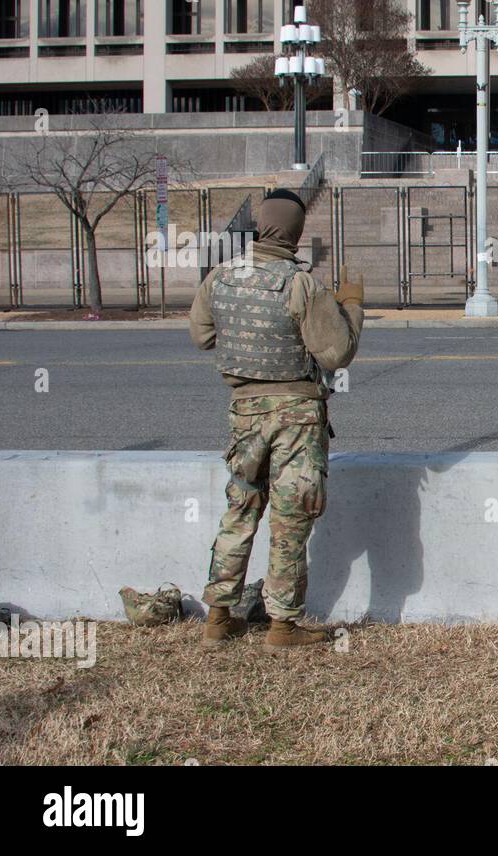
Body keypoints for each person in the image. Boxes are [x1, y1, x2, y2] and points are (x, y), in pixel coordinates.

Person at [189, 188, 364, 652]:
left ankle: (218, 618)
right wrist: (353, 306)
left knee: (240, 509)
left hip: (245, 414)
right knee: (290, 518)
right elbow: (337, 352)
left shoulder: (221, 276)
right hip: (298, 418)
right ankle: (283, 627)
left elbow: (202, 335)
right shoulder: (300, 284)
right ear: (296, 231)